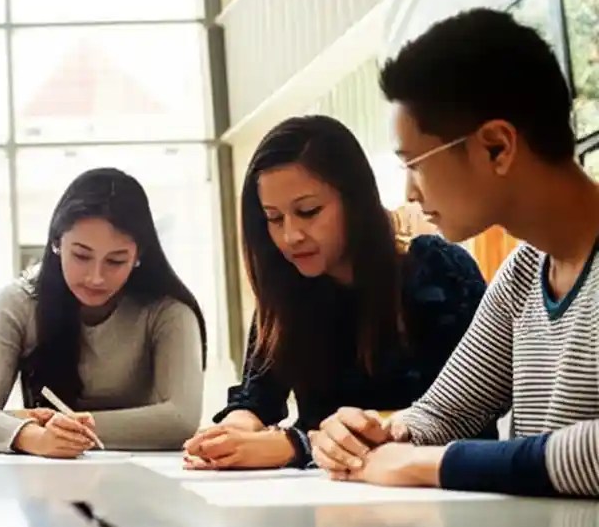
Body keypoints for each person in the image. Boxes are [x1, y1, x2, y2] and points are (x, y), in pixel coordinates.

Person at [313, 8, 599, 498]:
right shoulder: (523, 274)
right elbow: (441, 414)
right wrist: (373, 435)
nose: (408, 194)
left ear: (496, 147)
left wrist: (424, 464)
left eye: (414, 165)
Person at [182, 116, 488, 471]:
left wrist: (296, 445)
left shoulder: (438, 270)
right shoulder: (287, 289)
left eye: (308, 212)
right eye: (273, 218)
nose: (291, 235)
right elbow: (257, 396)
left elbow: (450, 414)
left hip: (438, 491)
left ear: (355, 200)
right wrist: (232, 434)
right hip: (334, 501)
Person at [0, 168, 206, 458]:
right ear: (56, 243)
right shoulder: (19, 302)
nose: (96, 277)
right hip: (47, 485)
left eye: (116, 261)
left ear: (138, 257)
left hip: (143, 481)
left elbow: (181, 420)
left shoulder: (168, 312)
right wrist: (33, 437)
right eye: (81, 256)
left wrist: (66, 428)